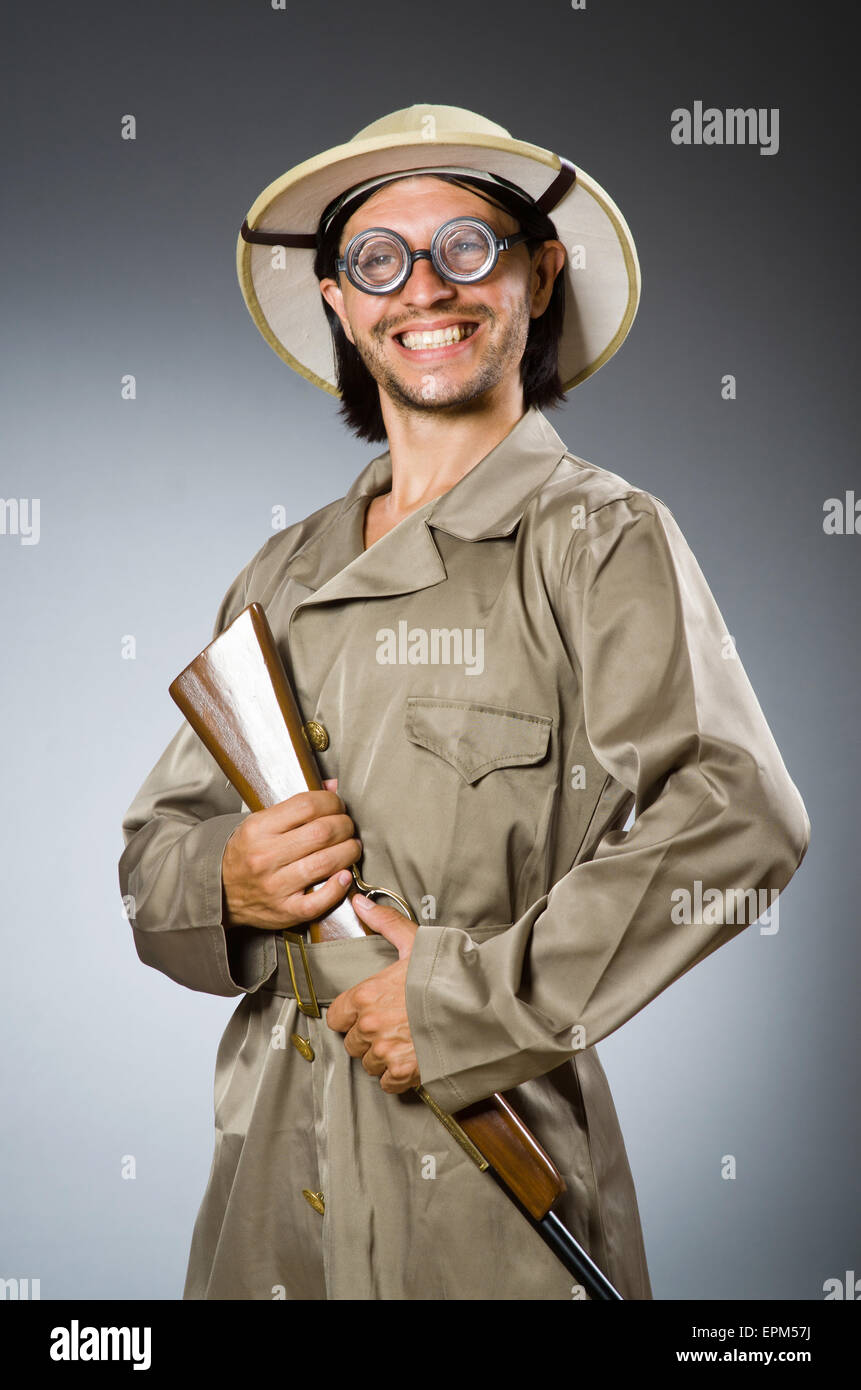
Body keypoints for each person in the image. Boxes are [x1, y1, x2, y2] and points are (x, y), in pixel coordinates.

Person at [118, 103, 811, 1301]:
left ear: (538, 276)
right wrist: (228, 877)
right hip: (264, 1182)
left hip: (487, 1158)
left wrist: (460, 1005)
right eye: (380, 259)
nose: (424, 289)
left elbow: (740, 813)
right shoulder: (281, 571)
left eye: (467, 248)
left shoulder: (598, 537)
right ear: (340, 301)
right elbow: (152, 857)